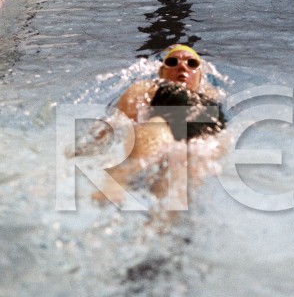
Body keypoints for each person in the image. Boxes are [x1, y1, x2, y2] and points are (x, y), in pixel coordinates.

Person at [93, 45, 227, 204]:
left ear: (200, 76)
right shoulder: (151, 86)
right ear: (162, 72)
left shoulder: (211, 96)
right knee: (155, 127)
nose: (182, 66)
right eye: (172, 61)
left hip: (199, 139)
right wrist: (94, 141)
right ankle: (116, 183)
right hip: (162, 125)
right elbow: (119, 118)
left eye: (191, 64)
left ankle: (161, 224)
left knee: (177, 194)